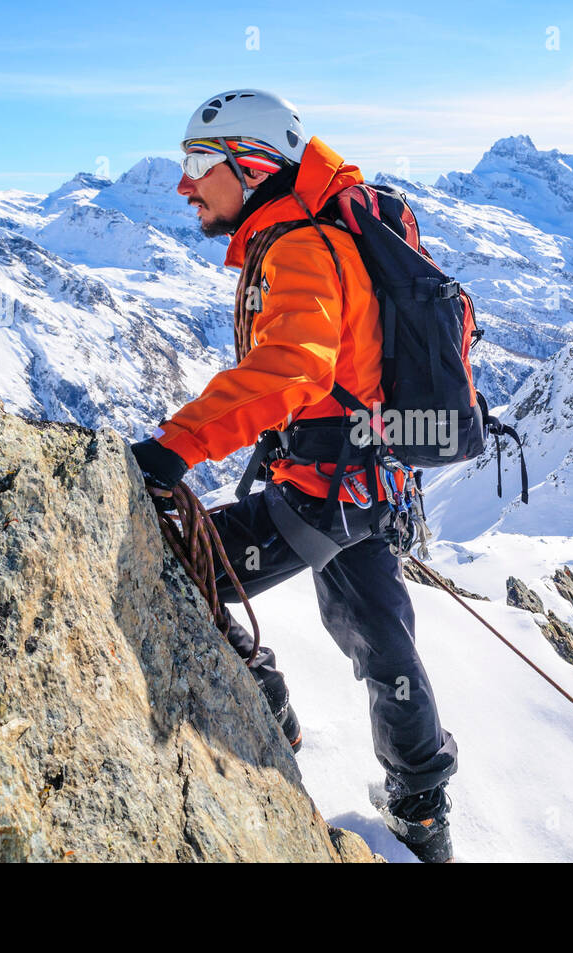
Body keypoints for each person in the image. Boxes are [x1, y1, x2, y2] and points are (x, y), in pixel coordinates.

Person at [129, 89, 457, 862]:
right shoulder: (311, 233)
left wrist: (174, 446)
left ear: (252, 166)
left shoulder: (299, 246)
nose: (186, 185)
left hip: (321, 494)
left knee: (179, 563)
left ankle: (265, 710)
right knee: (381, 639)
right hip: (367, 487)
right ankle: (422, 809)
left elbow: (291, 370)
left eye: (199, 165)